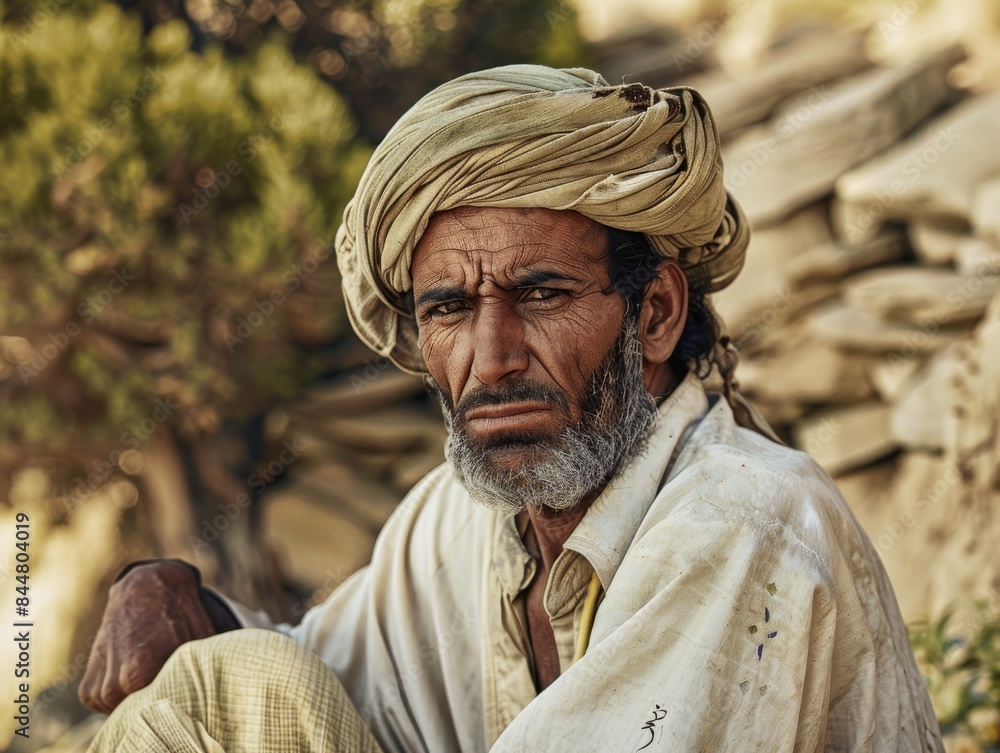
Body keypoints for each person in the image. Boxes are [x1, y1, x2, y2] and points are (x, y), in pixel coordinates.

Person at [81, 65, 944, 752]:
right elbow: (302, 688)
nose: (490, 362)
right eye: (449, 309)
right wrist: (165, 590)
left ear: (655, 315)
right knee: (231, 680)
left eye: (541, 294)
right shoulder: (456, 525)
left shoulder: (742, 520)